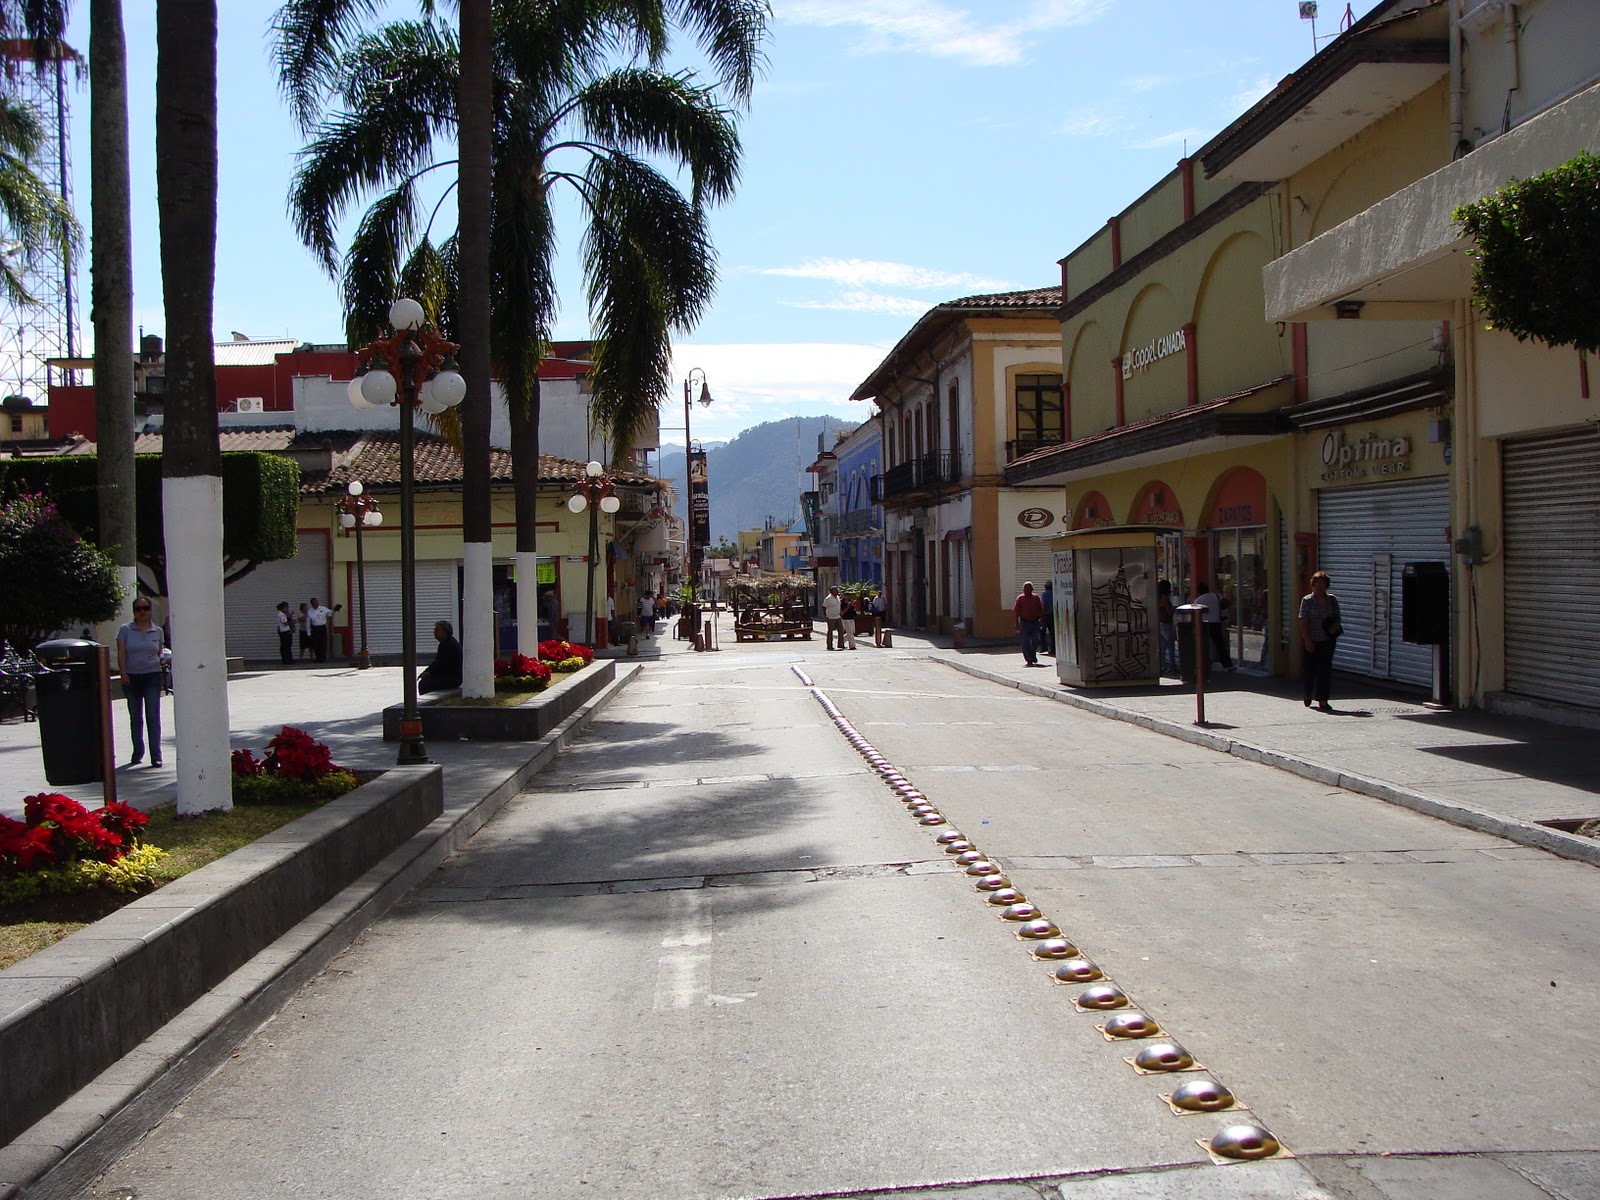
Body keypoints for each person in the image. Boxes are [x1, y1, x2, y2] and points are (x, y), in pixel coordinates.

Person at [117, 599, 166, 767]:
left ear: (151, 611)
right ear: (134, 612)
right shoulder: (125, 630)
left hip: (152, 676)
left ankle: (156, 755)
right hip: (132, 677)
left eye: (145, 608)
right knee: (135, 717)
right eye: (138, 609)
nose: (142, 612)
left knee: (153, 716)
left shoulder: (157, 631)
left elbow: (160, 651)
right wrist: (123, 673)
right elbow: (121, 653)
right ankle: (138, 751)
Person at [1298, 570, 1341, 712]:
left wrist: (1334, 627)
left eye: (1323, 584)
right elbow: (1303, 621)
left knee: (1325, 671)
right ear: (1313, 585)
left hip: (1327, 640)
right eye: (1317, 584)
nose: (1320, 587)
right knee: (1310, 670)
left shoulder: (1332, 600)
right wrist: (1307, 640)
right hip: (1312, 639)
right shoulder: (1307, 601)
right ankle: (1307, 693)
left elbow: (1337, 617)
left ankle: (1323, 700)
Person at [1193, 580, 1234, 671]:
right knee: (1219, 644)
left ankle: (1202, 664)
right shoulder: (1216, 596)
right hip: (1216, 622)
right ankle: (1227, 664)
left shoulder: (1198, 600)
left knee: (1203, 644)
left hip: (1204, 623)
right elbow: (1226, 603)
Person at [418, 621, 463, 693]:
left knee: (424, 684)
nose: (434, 632)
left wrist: (430, 673)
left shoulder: (449, 645)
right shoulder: (444, 644)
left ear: (445, 632)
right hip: (448, 676)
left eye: (437, 630)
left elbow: (444, 665)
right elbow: (437, 662)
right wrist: (427, 671)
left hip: (453, 678)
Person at [1013, 580, 1045, 666]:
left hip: (1035, 622)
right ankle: (1029, 659)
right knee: (1025, 642)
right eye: (1025, 588)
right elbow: (1016, 612)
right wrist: (1017, 624)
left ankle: (1032, 655)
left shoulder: (1036, 597)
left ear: (1032, 589)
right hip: (1024, 622)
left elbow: (1041, 610)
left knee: (1035, 640)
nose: (1026, 590)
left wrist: (1042, 621)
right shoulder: (1020, 598)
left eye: (1028, 588)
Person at [306, 596, 339, 663]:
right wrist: (308, 633)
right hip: (315, 629)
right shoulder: (310, 612)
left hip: (322, 628)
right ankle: (318, 658)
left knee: (323, 643)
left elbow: (330, 613)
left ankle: (323, 658)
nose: (317, 603)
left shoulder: (323, 608)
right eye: (315, 602)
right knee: (316, 644)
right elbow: (308, 623)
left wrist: (335, 609)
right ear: (312, 604)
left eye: (317, 602)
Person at [1157, 580, 1177, 675]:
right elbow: (1169, 612)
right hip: (1166, 623)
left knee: (1163, 646)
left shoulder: (1157, 597)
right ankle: (1172, 665)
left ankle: (1162, 665)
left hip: (1160, 622)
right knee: (1170, 646)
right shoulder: (1165, 598)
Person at [822, 586, 844, 650]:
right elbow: (824, 607)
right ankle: (829, 645)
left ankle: (840, 644)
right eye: (836, 590)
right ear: (832, 592)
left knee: (841, 630)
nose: (837, 592)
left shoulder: (837, 597)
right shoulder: (828, 599)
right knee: (830, 631)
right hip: (831, 617)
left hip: (838, 617)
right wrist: (826, 616)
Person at [275, 600, 294, 665]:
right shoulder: (281, 615)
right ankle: (288, 660)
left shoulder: (282, 614)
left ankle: (287, 659)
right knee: (286, 646)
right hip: (284, 632)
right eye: (286, 608)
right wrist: (292, 622)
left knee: (285, 646)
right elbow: (285, 623)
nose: (287, 609)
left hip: (284, 631)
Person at [1040, 579, 1055, 656]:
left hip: (1046, 616)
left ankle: (1044, 646)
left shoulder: (1044, 595)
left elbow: (1043, 606)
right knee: (1053, 633)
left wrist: (1041, 618)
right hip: (1054, 616)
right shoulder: (1055, 594)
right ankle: (1053, 649)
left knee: (1042, 632)